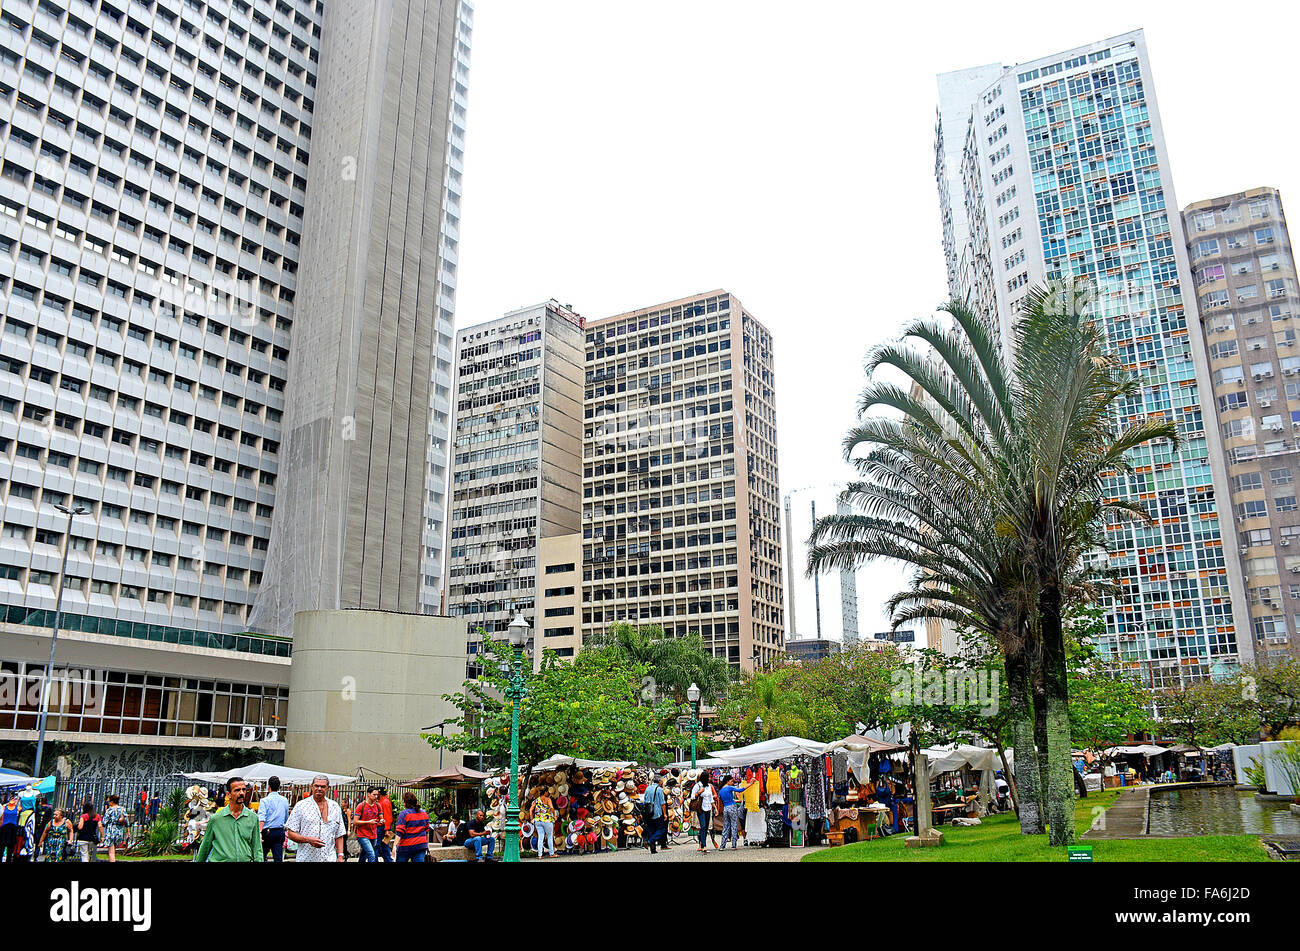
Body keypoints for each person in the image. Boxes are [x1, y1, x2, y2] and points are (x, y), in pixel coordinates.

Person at [195, 777, 262, 862]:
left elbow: (257, 848)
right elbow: (205, 847)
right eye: (237, 790)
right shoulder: (216, 819)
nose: (241, 793)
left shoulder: (253, 818)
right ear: (228, 794)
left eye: (243, 790)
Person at [285, 775, 347, 863]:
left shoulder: (335, 807)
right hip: (307, 858)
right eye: (316, 786)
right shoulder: (301, 806)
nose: (319, 789)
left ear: (328, 788)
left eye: (322, 786)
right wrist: (308, 840)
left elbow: (339, 834)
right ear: (311, 787)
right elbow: (290, 833)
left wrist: (340, 855)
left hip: (329, 858)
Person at [258, 775, 290, 862]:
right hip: (279, 831)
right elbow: (286, 816)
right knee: (278, 858)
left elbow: (262, 817)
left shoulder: (264, 801)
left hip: (267, 832)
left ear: (268, 787)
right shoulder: (284, 800)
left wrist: (259, 832)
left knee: (261, 856)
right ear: (279, 787)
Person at [393, 792, 430, 862]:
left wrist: (395, 845)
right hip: (421, 845)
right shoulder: (424, 813)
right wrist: (427, 843)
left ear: (405, 802)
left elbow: (400, 832)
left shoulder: (404, 814)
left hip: (406, 847)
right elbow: (427, 831)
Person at [353, 787, 384, 862]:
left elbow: (381, 817)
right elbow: (355, 821)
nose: (376, 797)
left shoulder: (378, 805)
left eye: (377, 795)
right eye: (374, 795)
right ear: (368, 794)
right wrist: (368, 822)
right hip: (362, 834)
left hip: (373, 834)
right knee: (371, 854)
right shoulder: (361, 806)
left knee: (364, 853)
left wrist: (382, 820)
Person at [718, 774, 748, 850]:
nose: (732, 782)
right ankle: (733, 845)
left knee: (726, 826)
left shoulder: (721, 790)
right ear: (728, 781)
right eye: (731, 781)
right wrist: (750, 784)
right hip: (732, 807)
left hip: (725, 808)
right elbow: (740, 790)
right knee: (734, 825)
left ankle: (722, 845)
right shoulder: (729, 788)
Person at [642, 774, 668, 854]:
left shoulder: (648, 788)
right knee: (661, 829)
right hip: (657, 812)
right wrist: (664, 814)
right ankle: (650, 840)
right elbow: (662, 803)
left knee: (651, 830)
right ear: (660, 781)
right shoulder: (659, 789)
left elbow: (645, 801)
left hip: (649, 812)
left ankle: (653, 849)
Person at [689, 771, 715, 853]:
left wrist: (715, 808)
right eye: (708, 777)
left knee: (706, 827)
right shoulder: (698, 786)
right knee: (703, 826)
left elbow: (711, 798)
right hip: (701, 808)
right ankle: (704, 845)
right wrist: (699, 792)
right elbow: (692, 796)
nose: (709, 779)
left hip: (708, 808)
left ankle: (701, 842)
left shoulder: (709, 786)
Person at [530, 790, 556, 858]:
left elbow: (531, 810)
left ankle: (540, 855)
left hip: (538, 820)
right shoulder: (548, 799)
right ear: (545, 792)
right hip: (547, 820)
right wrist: (554, 815)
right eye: (547, 792)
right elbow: (552, 808)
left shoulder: (536, 800)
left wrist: (531, 818)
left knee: (540, 837)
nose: (549, 793)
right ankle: (551, 853)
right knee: (549, 837)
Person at [103, 794, 128, 862]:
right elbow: (127, 822)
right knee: (113, 850)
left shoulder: (109, 810)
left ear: (112, 802)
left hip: (111, 832)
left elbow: (104, 822)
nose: (108, 803)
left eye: (109, 801)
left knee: (111, 853)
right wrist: (128, 831)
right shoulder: (122, 809)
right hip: (119, 832)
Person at [0, 792, 20, 862]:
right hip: (4, 828)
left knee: (10, 847)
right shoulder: (4, 807)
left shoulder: (18, 808)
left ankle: (8, 860)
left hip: (12, 829)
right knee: (1, 846)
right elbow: (1, 818)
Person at [375, 788, 394, 863]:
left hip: (382, 827)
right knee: (384, 845)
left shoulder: (384, 802)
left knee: (377, 845)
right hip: (383, 826)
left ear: (380, 793)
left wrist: (387, 829)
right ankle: (388, 860)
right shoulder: (382, 801)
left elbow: (387, 816)